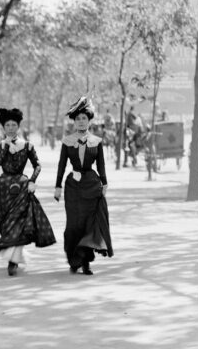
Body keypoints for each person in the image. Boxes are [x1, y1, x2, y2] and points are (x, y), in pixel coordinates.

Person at [0, 107, 56, 276]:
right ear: (3, 127)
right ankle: (14, 254)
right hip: (2, 188)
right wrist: (5, 147)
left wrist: (32, 181)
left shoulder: (27, 145)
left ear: (18, 126)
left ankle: (12, 262)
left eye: (14, 124)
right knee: (4, 223)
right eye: (8, 125)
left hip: (21, 187)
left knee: (19, 222)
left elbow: (38, 165)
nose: (11, 127)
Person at [53, 96, 113, 275]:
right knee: (73, 224)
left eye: (84, 119)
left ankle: (86, 261)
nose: (81, 121)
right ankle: (73, 259)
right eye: (78, 119)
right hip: (73, 187)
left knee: (89, 224)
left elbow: (101, 165)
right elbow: (62, 165)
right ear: (74, 121)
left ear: (89, 121)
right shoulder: (67, 141)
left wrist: (104, 182)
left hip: (91, 185)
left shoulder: (97, 141)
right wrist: (58, 186)